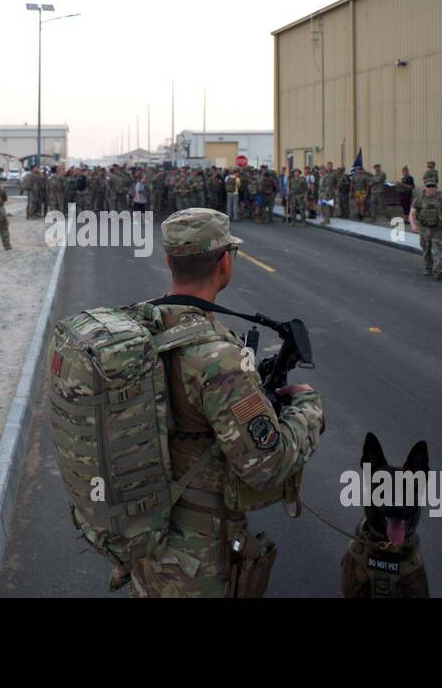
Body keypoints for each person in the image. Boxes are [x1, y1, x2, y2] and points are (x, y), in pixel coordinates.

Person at [132, 208, 325, 597]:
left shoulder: (138, 327)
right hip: (198, 560)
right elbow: (265, 466)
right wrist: (308, 409)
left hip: (145, 537)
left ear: (169, 261)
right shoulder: (218, 359)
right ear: (225, 262)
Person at [408, 175, 442, 279]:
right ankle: (428, 268)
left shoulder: (441, 198)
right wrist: (413, 225)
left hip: (437, 229)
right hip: (424, 229)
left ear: (436, 187)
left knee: (437, 250)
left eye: (433, 186)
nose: (431, 188)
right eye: (429, 186)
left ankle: (438, 270)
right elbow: (412, 214)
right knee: (426, 250)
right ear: (425, 187)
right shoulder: (419, 199)